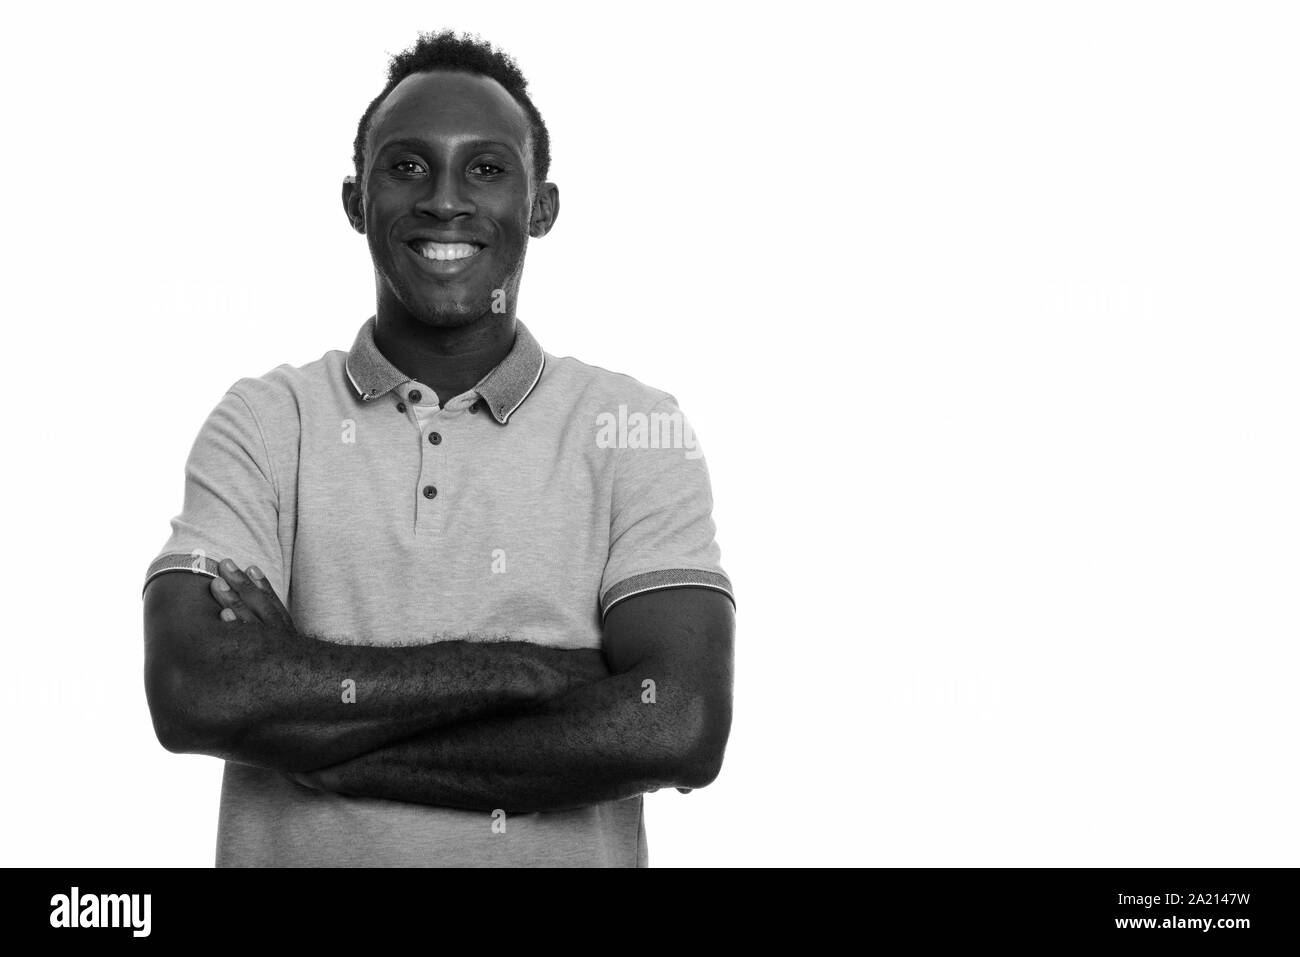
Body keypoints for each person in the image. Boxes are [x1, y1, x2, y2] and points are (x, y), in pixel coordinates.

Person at [141, 30, 735, 867]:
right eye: (408, 166)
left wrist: (318, 737)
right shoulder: (267, 421)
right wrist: (530, 676)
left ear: (542, 207)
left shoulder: (635, 428)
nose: (444, 200)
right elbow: (193, 690)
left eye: (486, 168)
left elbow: (676, 722)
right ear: (356, 201)